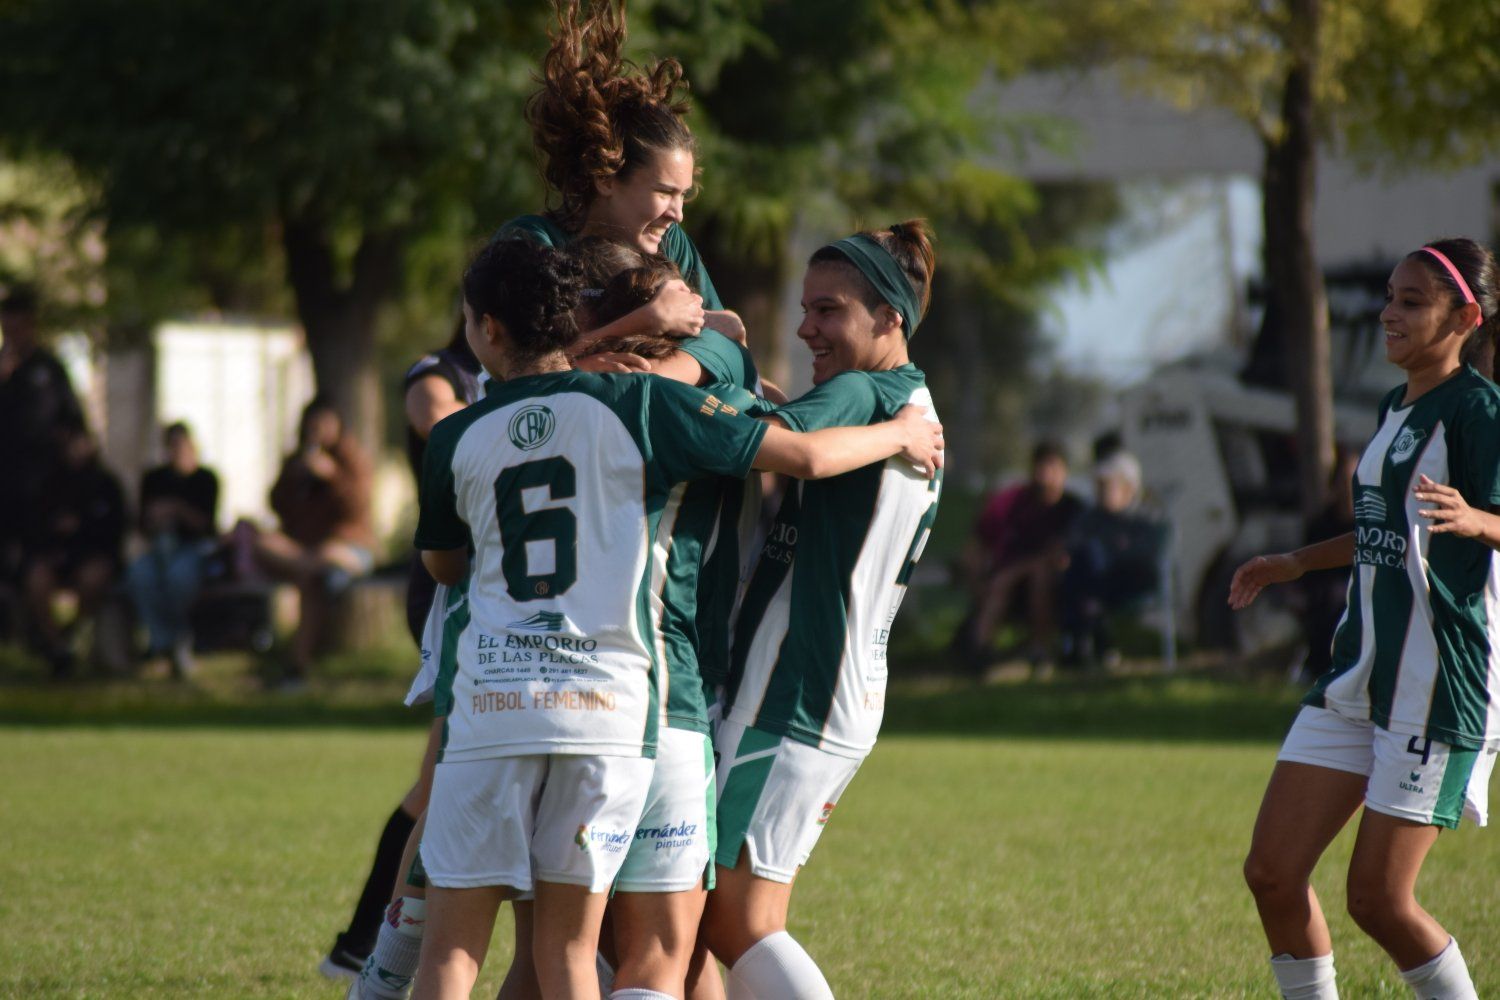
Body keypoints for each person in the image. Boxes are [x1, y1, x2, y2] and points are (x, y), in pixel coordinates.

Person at [408, 237, 939, 1000]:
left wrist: (637, 349)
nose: (806, 329)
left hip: (526, 705)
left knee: (484, 954)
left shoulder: (466, 428)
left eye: (827, 309)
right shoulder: (655, 404)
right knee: (618, 948)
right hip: (637, 708)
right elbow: (788, 439)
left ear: (486, 329)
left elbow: (443, 566)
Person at [1230, 238, 1500, 1000]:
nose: (1389, 313)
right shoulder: (1395, 404)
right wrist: (1293, 562)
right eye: (1389, 296)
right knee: (1273, 873)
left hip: (1436, 684)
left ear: (1466, 317)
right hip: (1358, 677)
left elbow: (1477, 522)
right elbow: (1388, 530)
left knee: (1378, 901)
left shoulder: (1480, 415)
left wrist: (1480, 521)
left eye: (1412, 302)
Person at [701, 220, 943, 1000]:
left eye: (828, 310)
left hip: (790, 688)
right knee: (730, 915)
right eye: (806, 308)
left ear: (888, 318)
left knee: (729, 922)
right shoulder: (906, 400)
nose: (807, 327)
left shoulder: (862, 393)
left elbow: (772, 440)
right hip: (836, 692)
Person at [317, 323, 484, 981]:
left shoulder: (552, 367)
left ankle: (362, 952)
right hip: (453, 590)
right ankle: (372, 954)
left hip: (506, 596)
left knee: (440, 781)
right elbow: (436, 421)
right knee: (440, 779)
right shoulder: (437, 372)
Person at [255, 396, 375, 686]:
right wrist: (293, 478)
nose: (318, 431)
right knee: (267, 544)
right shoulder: (297, 461)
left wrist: (331, 475)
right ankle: (294, 667)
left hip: (345, 548)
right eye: (313, 425)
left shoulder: (353, 460)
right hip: (304, 549)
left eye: (324, 424)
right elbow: (277, 504)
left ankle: (293, 663)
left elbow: (358, 508)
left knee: (319, 565)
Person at [954, 441, 1084, 667]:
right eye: (1041, 467)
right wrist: (974, 574)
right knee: (1001, 583)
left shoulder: (1073, 509)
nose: (1045, 475)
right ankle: (978, 650)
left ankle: (1039, 649)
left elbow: (1067, 554)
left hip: (1052, 582)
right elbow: (979, 539)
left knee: (1037, 574)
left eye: (1052, 468)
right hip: (1006, 579)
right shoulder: (1012, 501)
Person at [21, 419, 127, 677]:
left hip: (92, 555)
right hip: (56, 557)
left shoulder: (105, 484)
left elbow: (115, 531)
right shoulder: (49, 484)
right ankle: (57, 647)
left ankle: (75, 634)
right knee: (35, 580)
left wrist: (82, 528)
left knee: (93, 578)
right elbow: (34, 526)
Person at [0, 283, 85, 589]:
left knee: (37, 558)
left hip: (44, 483)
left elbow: (73, 421)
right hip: (5, 480)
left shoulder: (49, 369)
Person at [125, 422, 219, 678]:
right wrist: (156, 519)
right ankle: (164, 642)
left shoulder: (205, 479)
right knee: (139, 576)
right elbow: (141, 525)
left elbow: (208, 525)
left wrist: (178, 509)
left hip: (193, 548)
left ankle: (177, 640)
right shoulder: (154, 479)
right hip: (159, 545)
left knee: (179, 579)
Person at [1058, 449, 1162, 669]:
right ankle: (1088, 640)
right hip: (1089, 582)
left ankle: (1084, 641)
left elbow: (1144, 561)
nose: (1101, 490)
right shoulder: (1090, 518)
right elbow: (1072, 545)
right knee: (1083, 561)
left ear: (1129, 488)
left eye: (1108, 485)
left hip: (1126, 583)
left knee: (1089, 565)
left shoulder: (1143, 521)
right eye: (1100, 484)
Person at [1295, 445, 1359, 683]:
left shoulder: (1372, 524)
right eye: (1343, 482)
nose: (1349, 490)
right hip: (1326, 596)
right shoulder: (1321, 524)